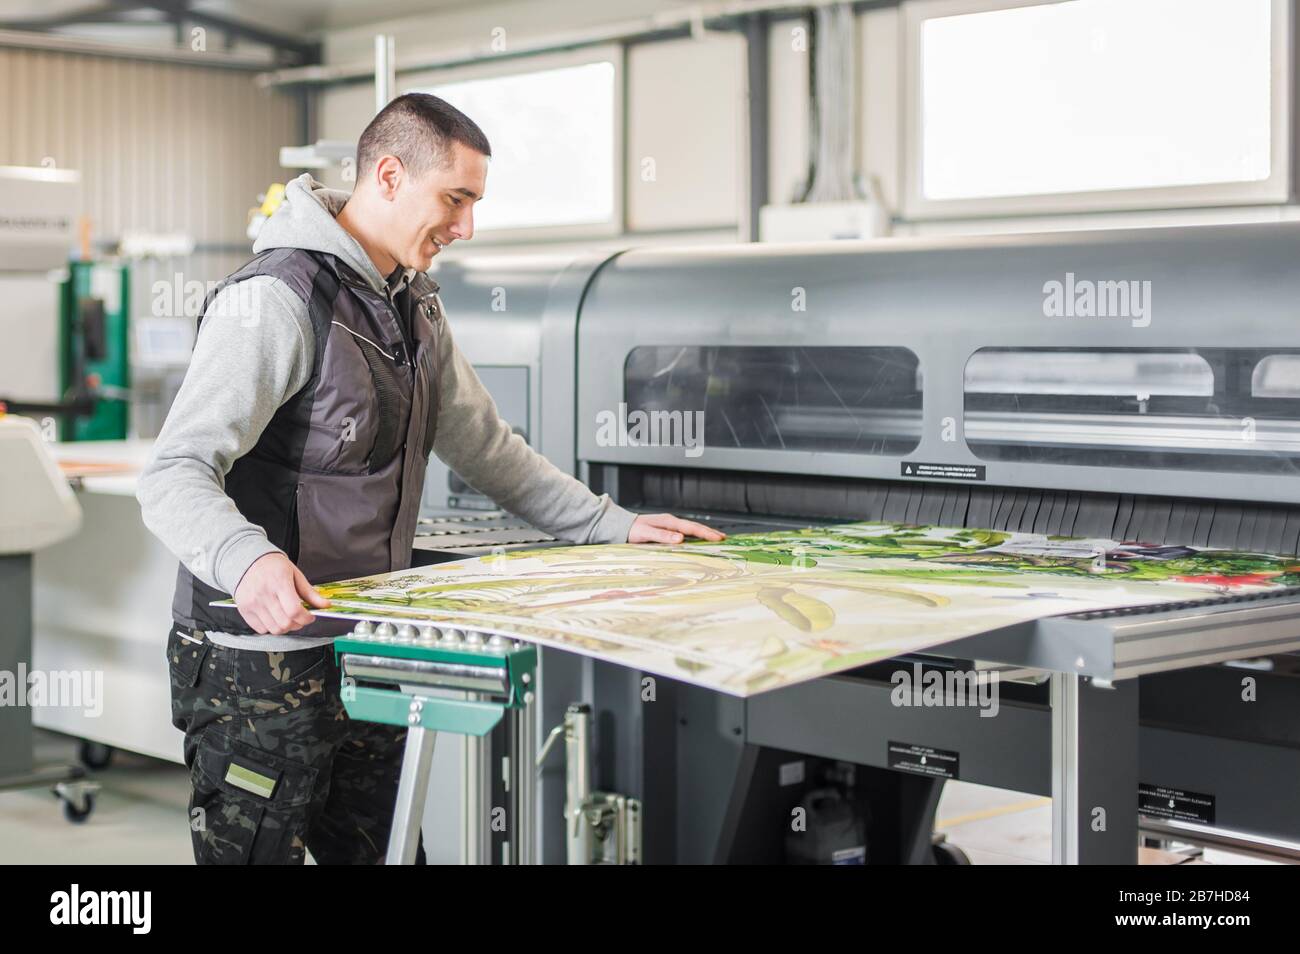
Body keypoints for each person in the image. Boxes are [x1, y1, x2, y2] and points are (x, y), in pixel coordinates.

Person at [137, 92, 722, 864]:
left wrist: (613, 524)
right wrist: (249, 560)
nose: (465, 227)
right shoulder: (277, 301)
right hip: (258, 664)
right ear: (387, 175)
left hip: (361, 643)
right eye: (455, 199)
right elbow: (173, 472)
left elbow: (487, 447)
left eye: (474, 204)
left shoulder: (414, 309)